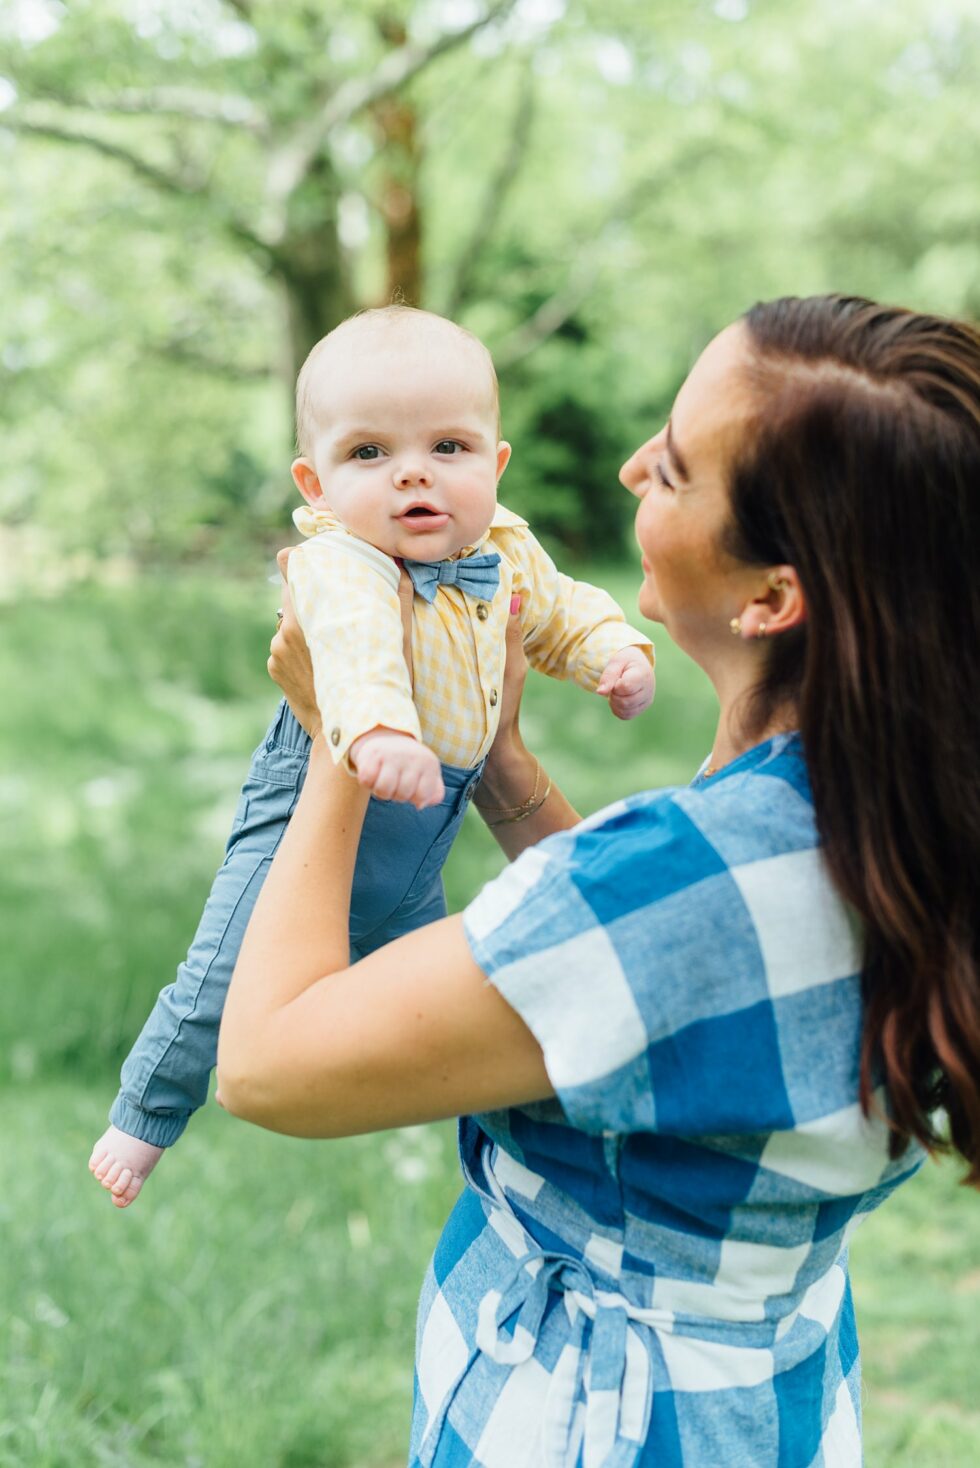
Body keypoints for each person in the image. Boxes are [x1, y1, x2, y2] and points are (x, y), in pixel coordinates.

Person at [217, 294, 980, 1468]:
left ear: (773, 595)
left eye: (673, 469)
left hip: (594, 1421)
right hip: (761, 1385)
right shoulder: (886, 799)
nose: (631, 469)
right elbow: (668, 978)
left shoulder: (686, 876)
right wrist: (505, 769)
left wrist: (335, 727)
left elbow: (270, 1065)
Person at [88, 306, 654, 1208]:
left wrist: (614, 657)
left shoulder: (501, 546)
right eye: (369, 455)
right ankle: (144, 1115)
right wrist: (378, 735)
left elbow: (559, 609)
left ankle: (456, 1108)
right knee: (221, 972)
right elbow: (352, 649)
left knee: (422, 979)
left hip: (435, 814)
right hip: (329, 787)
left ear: (495, 463)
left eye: (449, 447)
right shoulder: (341, 563)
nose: (413, 475)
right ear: (314, 485)